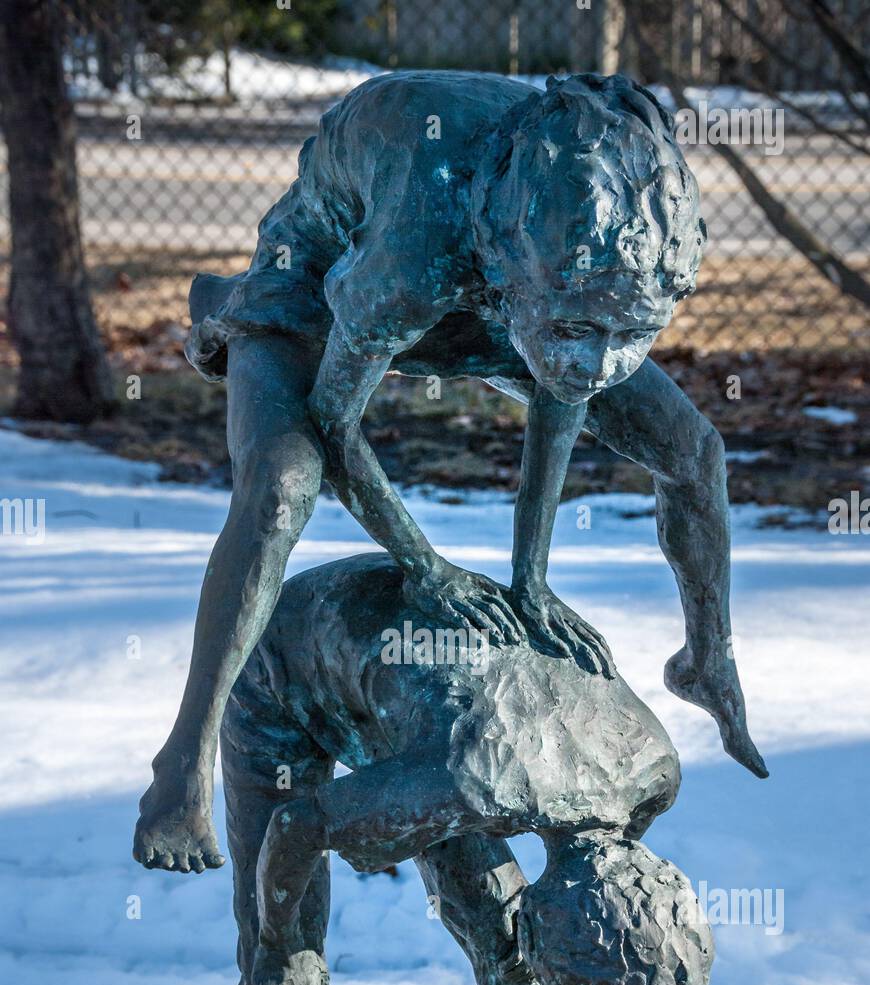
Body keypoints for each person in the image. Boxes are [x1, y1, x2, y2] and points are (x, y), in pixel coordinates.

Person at [134, 69, 766, 876]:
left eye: (629, 333)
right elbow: (336, 424)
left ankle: (706, 662)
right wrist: (424, 567)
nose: (601, 361)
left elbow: (563, 387)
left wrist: (528, 582)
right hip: (322, 283)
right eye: (579, 329)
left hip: (503, 286)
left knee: (694, 450)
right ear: (520, 273)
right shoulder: (415, 246)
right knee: (282, 485)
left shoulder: (589, 253)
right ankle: (182, 760)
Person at [220, 552, 714, 985]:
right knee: (287, 973)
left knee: (510, 950)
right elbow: (296, 828)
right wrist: (274, 941)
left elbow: (575, 892)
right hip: (287, 669)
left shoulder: (652, 772)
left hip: (439, 717)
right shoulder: (461, 780)